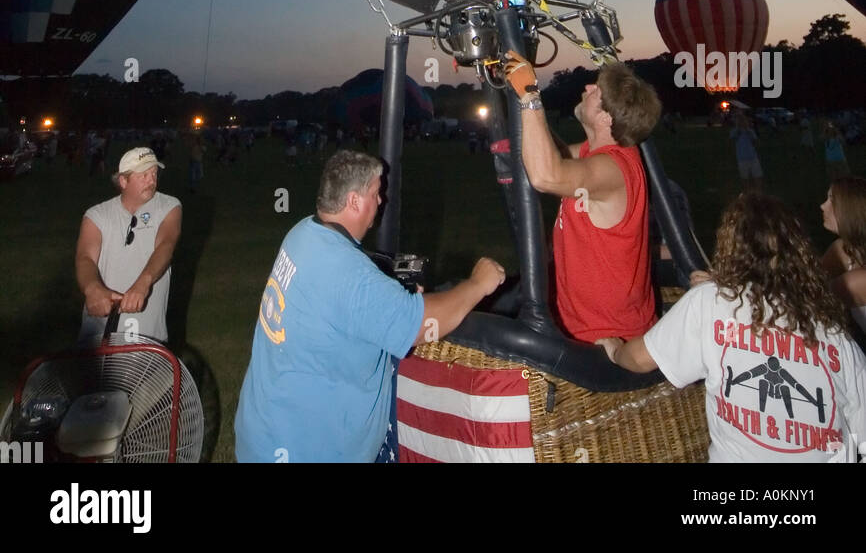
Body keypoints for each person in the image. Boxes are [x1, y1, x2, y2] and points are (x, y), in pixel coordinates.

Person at [234, 149, 505, 463]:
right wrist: (478, 283)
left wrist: (388, 294)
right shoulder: (346, 273)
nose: (380, 201)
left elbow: (340, 299)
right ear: (353, 201)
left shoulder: (303, 232)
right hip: (302, 449)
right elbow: (418, 325)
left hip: (264, 431)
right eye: (375, 193)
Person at [599, 193, 866, 463]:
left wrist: (615, 349)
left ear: (730, 245)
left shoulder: (711, 301)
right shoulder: (833, 330)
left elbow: (639, 359)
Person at [502, 51, 661, 343]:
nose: (587, 88)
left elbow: (546, 176)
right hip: (588, 330)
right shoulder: (598, 154)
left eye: (596, 90)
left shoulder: (613, 168)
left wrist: (530, 94)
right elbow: (555, 156)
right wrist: (512, 97)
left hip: (608, 341)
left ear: (605, 117)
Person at [74, 146, 181, 345]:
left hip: (149, 335)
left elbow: (166, 246)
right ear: (123, 181)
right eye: (143, 175)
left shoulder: (169, 206)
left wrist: (143, 284)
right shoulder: (96, 215)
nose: (152, 180)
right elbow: (85, 258)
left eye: (154, 173)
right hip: (100, 332)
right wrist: (92, 289)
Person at [820, 177, 866, 340]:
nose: (823, 206)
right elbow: (812, 279)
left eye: (831, 200)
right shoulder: (844, 249)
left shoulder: (855, 282)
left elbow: (811, 299)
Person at [729, 110, 762, 187]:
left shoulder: (750, 131)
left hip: (753, 157)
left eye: (743, 120)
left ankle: (758, 194)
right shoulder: (734, 131)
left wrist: (748, 131)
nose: (741, 122)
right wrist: (738, 129)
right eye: (739, 120)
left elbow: (755, 142)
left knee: (758, 176)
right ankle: (747, 194)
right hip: (742, 158)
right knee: (744, 178)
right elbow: (732, 139)